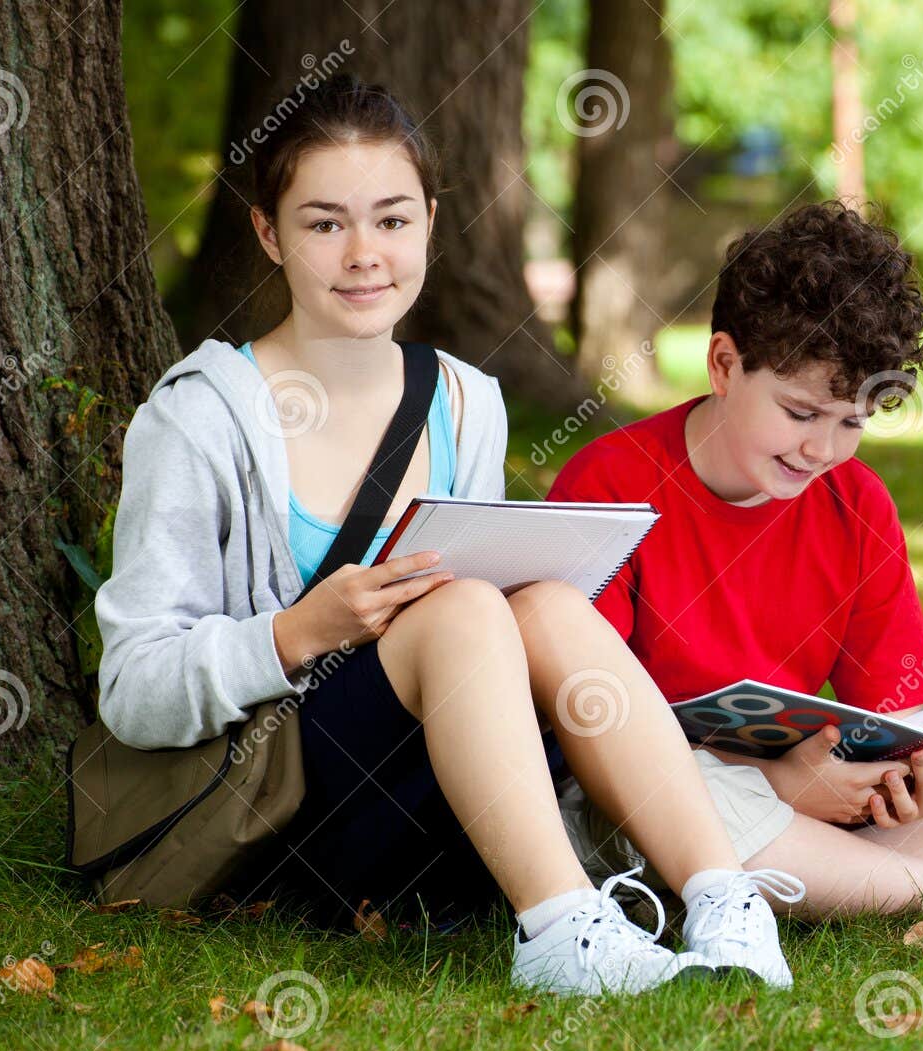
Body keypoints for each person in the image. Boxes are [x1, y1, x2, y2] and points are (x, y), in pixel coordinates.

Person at [93, 76, 803, 996]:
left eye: (391, 220)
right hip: (272, 819)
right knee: (465, 609)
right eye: (323, 224)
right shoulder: (199, 419)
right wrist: (297, 633)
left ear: (429, 221)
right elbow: (132, 689)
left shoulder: (467, 401)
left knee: (540, 603)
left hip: (444, 805)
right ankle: (560, 932)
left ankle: (724, 901)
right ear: (269, 234)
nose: (363, 255)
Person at [547, 201, 923, 924]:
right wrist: (775, 783)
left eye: (852, 423)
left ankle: (816, 880)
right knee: (686, 796)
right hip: (652, 792)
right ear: (725, 365)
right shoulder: (611, 484)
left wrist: (912, 775)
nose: (821, 451)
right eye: (800, 414)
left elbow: (901, 712)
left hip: (817, 801)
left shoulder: (855, 502)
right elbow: (584, 722)